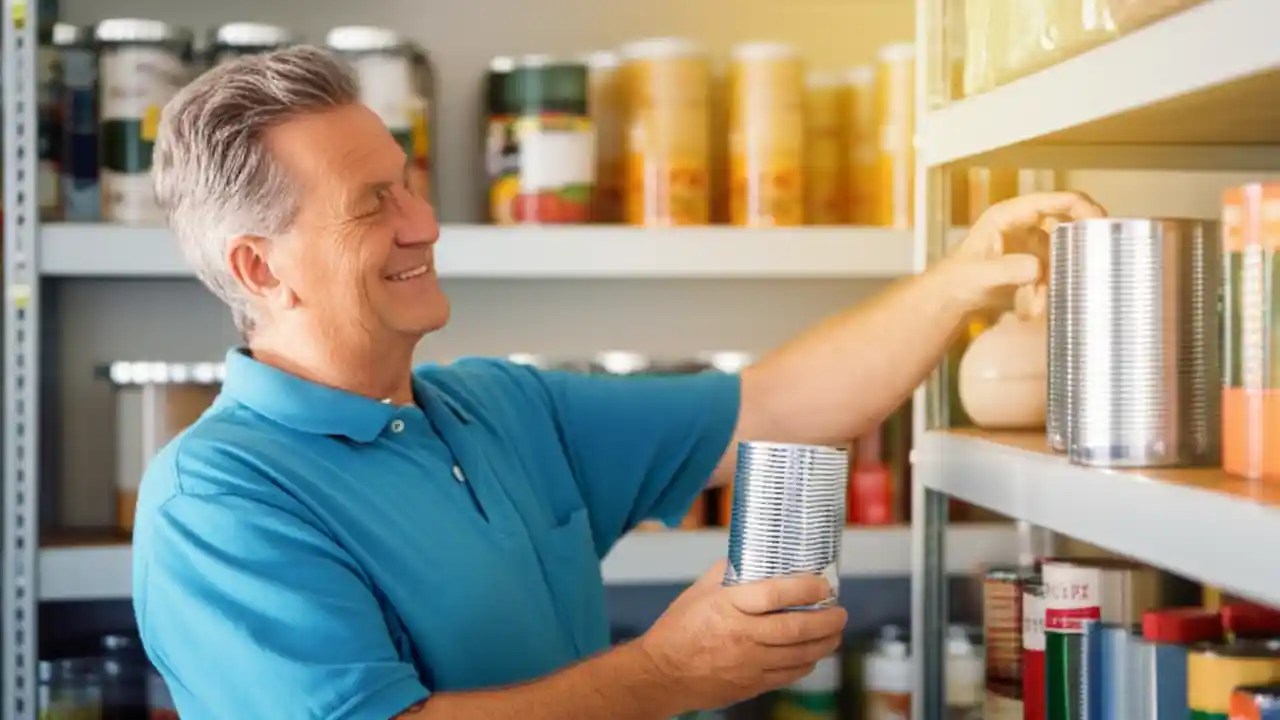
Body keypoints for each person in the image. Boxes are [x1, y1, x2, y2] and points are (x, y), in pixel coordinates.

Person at [133, 45, 1105, 720]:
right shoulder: (217, 500)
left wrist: (956, 282)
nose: (422, 222)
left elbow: (774, 403)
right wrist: (669, 674)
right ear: (260, 267)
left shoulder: (500, 408)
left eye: (408, 181)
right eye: (371, 205)